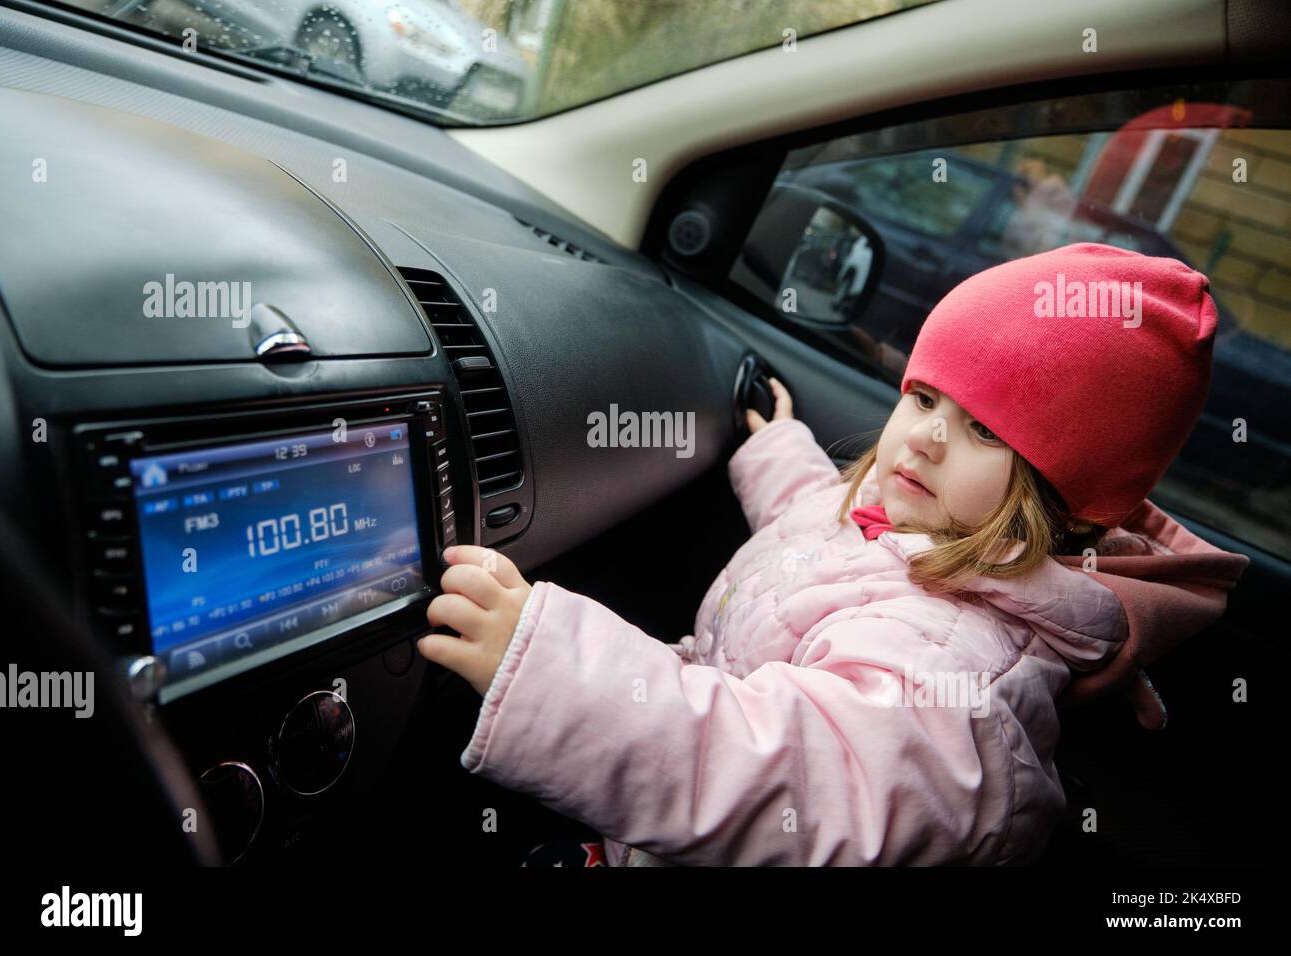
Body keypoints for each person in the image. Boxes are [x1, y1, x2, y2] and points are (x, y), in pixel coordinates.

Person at [416, 242, 1250, 866]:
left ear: (1058, 496)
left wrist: (553, 672)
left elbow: (781, 773)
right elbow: (818, 527)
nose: (921, 438)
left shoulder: (957, 675)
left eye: (983, 430)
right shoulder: (919, 527)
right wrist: (775, 444)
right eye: (924, 396)